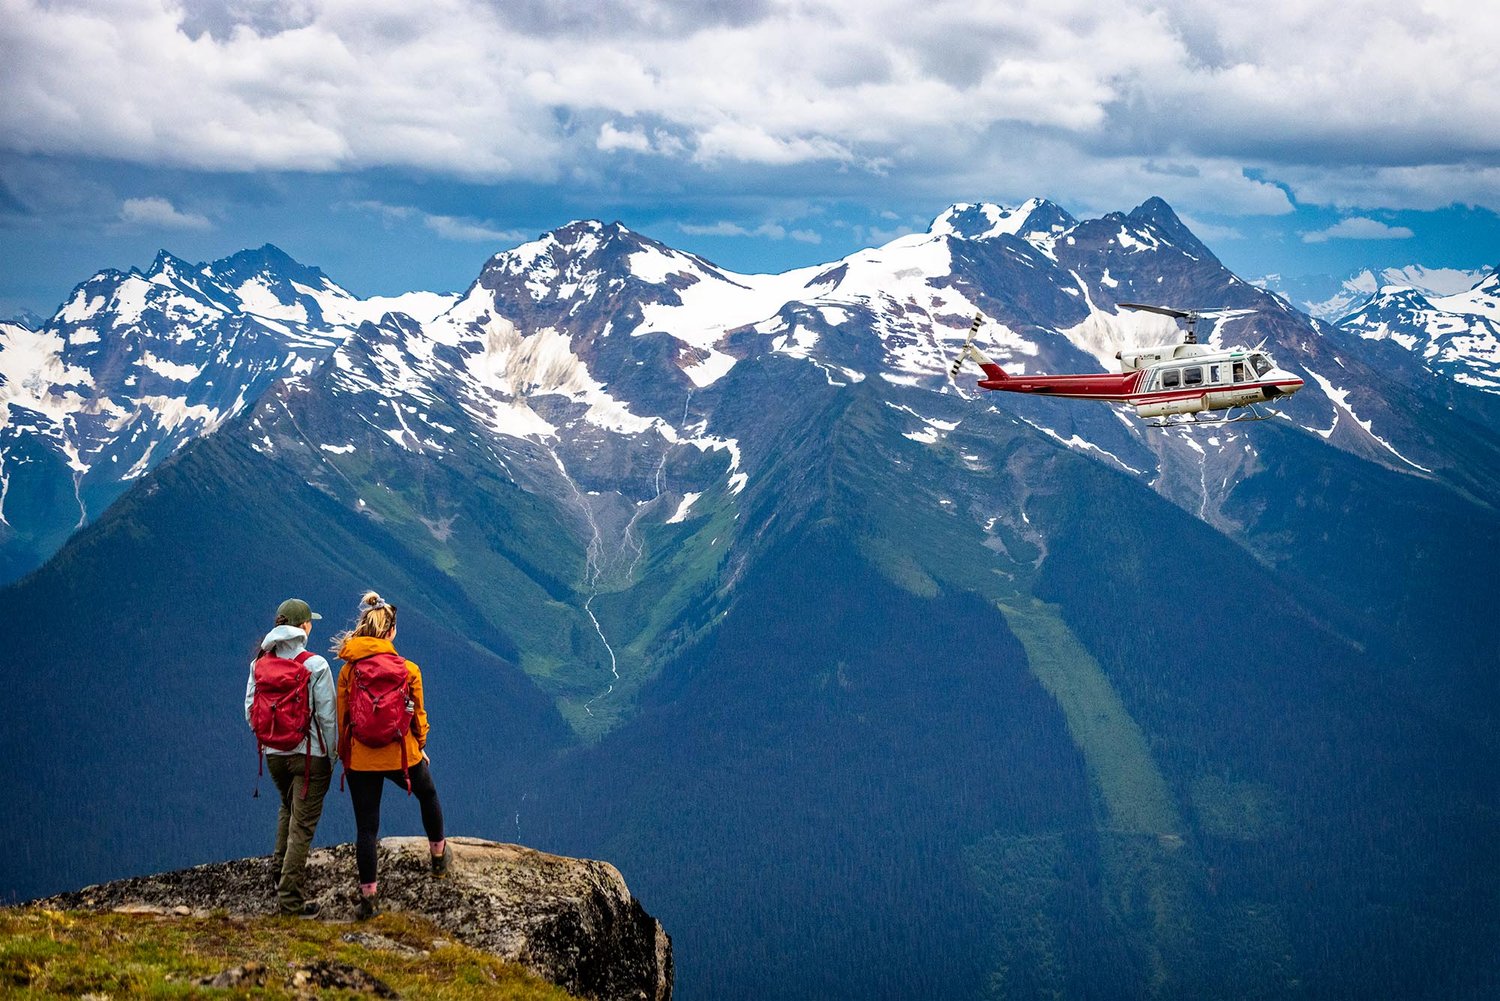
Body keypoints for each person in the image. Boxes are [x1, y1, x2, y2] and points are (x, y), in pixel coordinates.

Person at [334, 591, 448, 919]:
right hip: (401, 753)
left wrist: (347, 755)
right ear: (391, 631)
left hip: (361, 756)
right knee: (427, 794)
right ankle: (439, 859)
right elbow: (418, 715)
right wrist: (420, 748)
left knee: (367, 828)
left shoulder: (348, 670)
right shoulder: (408, 669)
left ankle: (369, 898)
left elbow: (343, 718)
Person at [245, 597, 337, 918]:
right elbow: (327, 717)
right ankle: (290, 900)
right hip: (310, 757)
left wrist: (272, 739)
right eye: (311, 621)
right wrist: (332, 755)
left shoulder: (260, 663)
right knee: (303, 825)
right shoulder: (316, 665)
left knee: (287, 806)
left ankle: (276, 872)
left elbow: (250, 712)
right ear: (303, 627)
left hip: (273, 756)